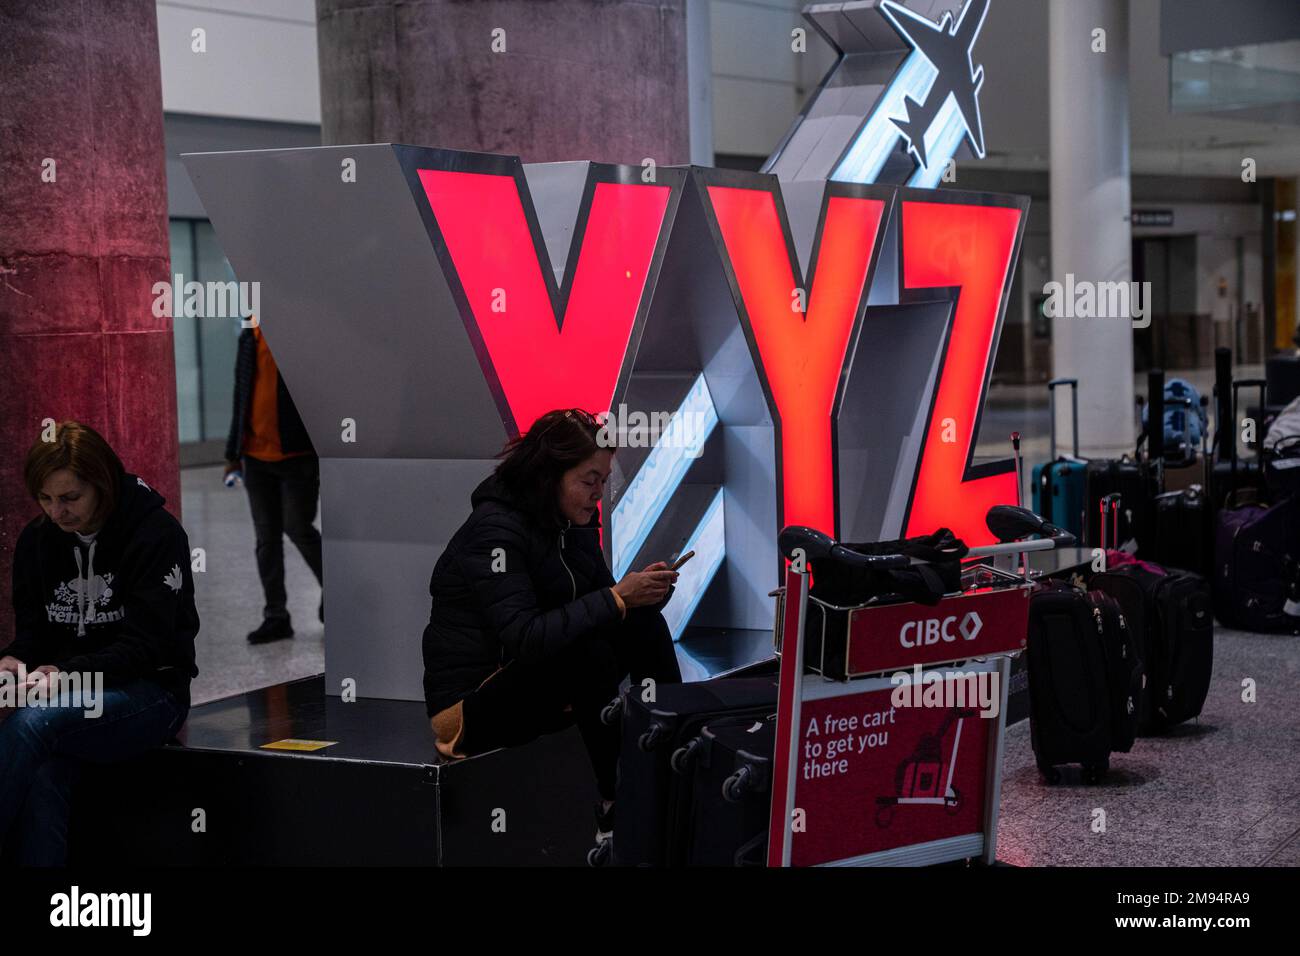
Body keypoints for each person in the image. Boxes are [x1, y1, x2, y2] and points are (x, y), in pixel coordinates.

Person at [422, 408, 683, 843]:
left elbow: (601, 603)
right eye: (589, 480)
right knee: (590, 650)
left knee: (644, 624)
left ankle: (672, 757)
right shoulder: (494, 531)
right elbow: (525, 637)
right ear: (550, 475)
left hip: (542, 680)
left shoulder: (571, 522)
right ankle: (615, 803)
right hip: (470, 707)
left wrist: (642, 595)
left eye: (603, 481)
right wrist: (618, 597)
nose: (598, 493)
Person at [0, 421, 199, 865]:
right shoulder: (38, 540)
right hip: (69, 689)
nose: (57, 512)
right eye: (46, 499)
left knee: (34, 724)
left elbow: (146, 648)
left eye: (70, 498)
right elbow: (34, 633)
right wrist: (13, 660)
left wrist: (68, 675)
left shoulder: (156, 534)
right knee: (43, 772)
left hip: (151, 693)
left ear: (103, 485)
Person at [223, 322, 323, 643]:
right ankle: (276, 615)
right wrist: (233, 453)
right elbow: (241, 395)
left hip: (297, 454)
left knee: (299, 528)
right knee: (266, 539)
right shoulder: (249, 338)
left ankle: (336, 594)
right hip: (255, 457)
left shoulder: (297, 337)